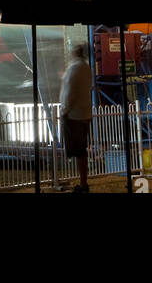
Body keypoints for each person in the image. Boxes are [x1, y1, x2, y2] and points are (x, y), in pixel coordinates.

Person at [60, 43, 93, 192]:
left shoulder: (74, 69)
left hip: (74, 115)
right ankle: (83, 182)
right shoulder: (87, 68)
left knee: (79, 151)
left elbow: (69, 93)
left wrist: (64, 110)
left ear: (75, 53)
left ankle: (83, 184)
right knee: (82, 150)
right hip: (85, 113)